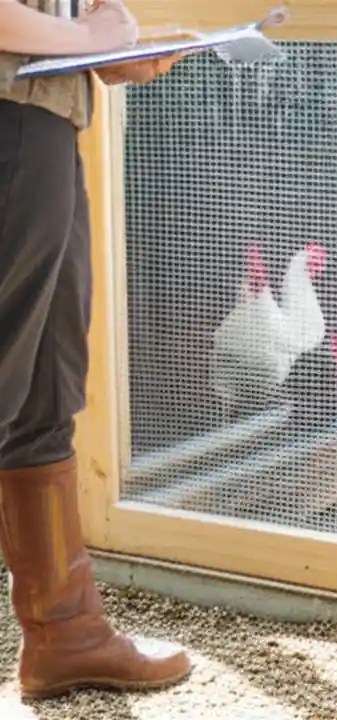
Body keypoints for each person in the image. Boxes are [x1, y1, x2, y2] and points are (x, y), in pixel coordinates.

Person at [0, 0, 191, 699]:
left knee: (47, 390)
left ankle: (65, 635)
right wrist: (84, 38)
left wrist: (106, 54)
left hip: (45, 120)